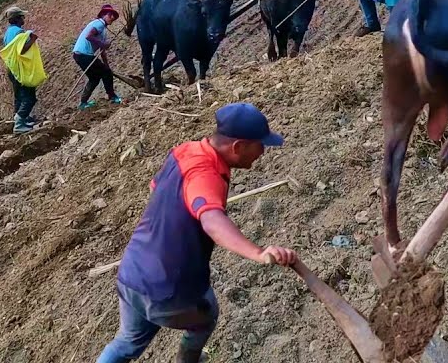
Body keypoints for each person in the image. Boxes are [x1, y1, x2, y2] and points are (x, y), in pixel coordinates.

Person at [96, 102, 299, 363]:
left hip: (132, 272)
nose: (262, 152)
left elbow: (155, 186)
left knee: (126, 343)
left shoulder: (185, 151)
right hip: (167, 288)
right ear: (238, 146)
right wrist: (260, 253)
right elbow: (212, 222)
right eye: (259, 145)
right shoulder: (206, 175)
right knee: (206, 314)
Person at [73, 5, 123, 110]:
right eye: (110, 15)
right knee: (105, 74)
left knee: (95, 78)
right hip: (84, 54)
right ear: (104, 15)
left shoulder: (102, 29)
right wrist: (103, 44)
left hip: (79, 55)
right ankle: (112, 96)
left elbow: (102, 51)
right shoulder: (99, 24)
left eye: (113, 16)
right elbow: (89, 36)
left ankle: (83, 103)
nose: (112, 18)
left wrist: (107, 65)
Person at [1, 6, 39, 134]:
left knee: (19, 97)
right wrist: (32, 40)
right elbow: (21, 51)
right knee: (29, 97)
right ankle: (19, 123)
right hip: (20, 70)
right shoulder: (19, 33)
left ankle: (22, 120)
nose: (24, 18)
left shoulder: (8, 33)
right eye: (22, 16)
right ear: (17, 18)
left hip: (11, 68)